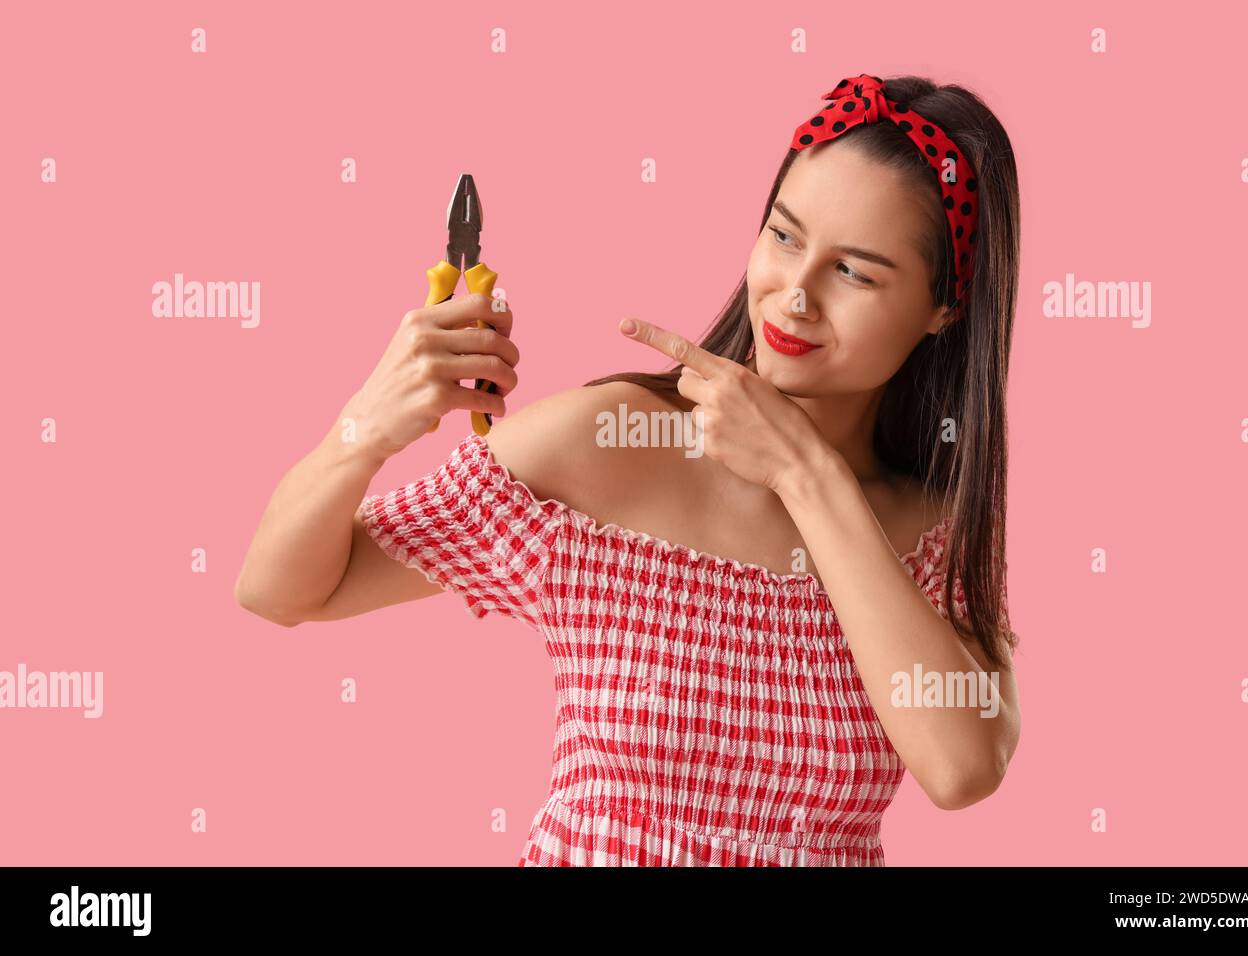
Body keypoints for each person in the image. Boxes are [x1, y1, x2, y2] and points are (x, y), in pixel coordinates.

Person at [235, 72, 1022, 866]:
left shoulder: (934, 534)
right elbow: (281, 589)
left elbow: (962, 767)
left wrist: (805, 473)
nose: (795, 297)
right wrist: (368, 425)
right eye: (783, 237)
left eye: (854, 271)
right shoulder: (608, 446)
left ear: (942, 308)